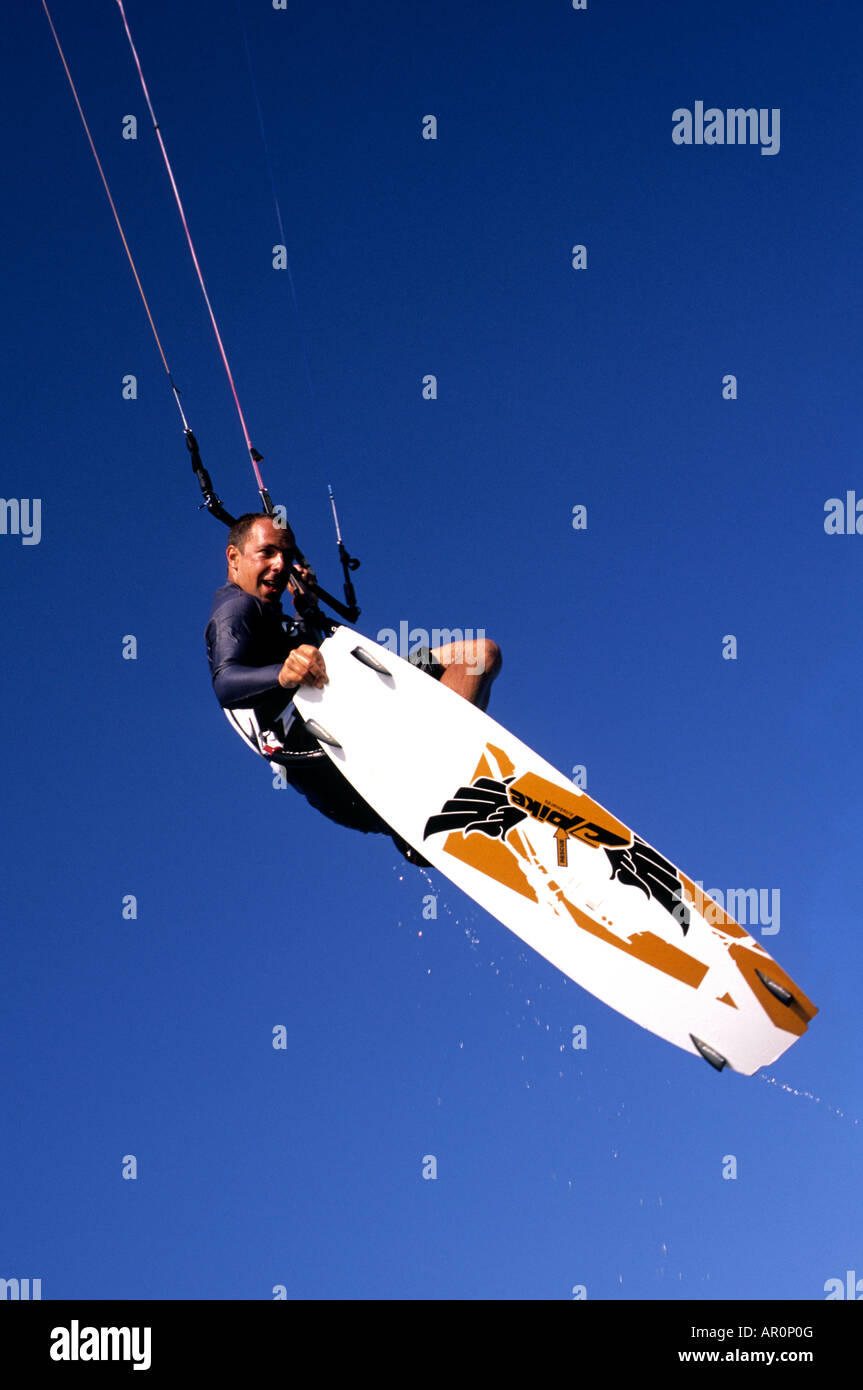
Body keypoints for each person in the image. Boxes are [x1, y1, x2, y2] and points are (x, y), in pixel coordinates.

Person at [206, 513, 501, 860]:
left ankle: (435, 793)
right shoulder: (236, 608)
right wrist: (282, 674)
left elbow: (319, 667)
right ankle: (430, 802)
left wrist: (307, 610)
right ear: (233, 557)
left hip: (345, 746)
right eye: (267, 552)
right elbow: (225, 681)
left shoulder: (272, 617)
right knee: (475, 657)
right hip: (330, 763)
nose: (280, 564)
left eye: (286, 554)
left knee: (478, 658)